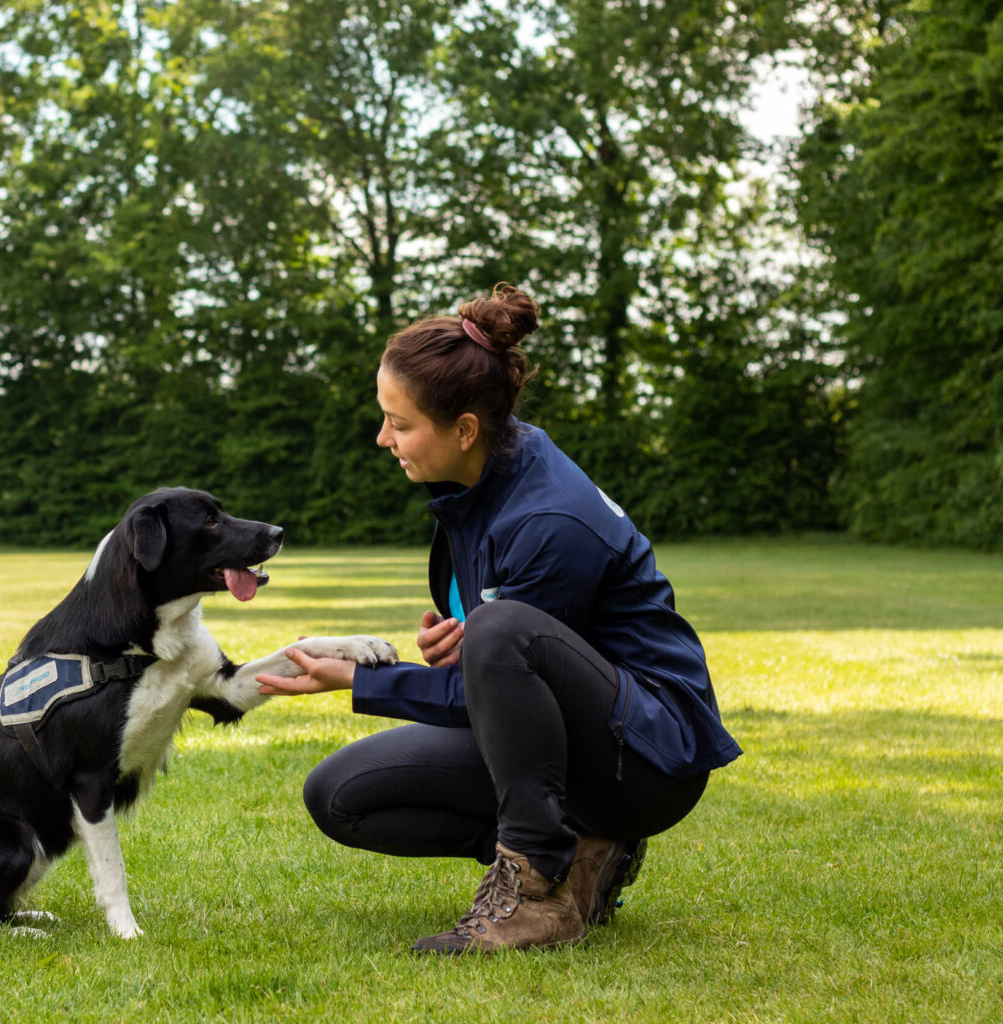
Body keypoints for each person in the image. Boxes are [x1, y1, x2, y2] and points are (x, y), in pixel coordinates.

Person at [254, 285, 741, 954]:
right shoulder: (484, 476)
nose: (382, 437)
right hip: (581, 737)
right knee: (339, 795)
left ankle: (536, 886)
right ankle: (581, 855)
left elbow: (510, 639)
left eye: (400, 423)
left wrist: (362, 679)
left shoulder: (546, 520)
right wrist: (466, 646)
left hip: (648, 759)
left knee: (499, 629)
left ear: (464, 430)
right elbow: (511, 664)